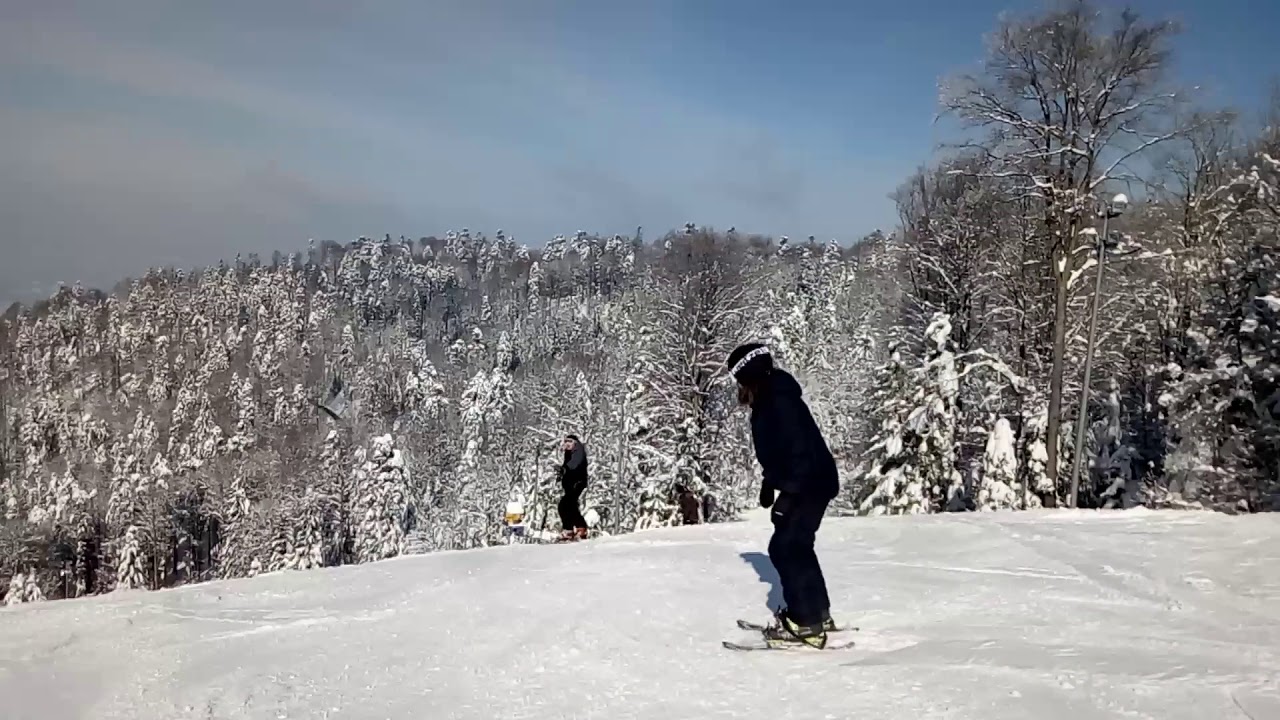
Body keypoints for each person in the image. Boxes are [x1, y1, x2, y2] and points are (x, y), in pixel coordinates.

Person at [727, 342, 839, 648]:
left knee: (786, 547)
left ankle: (806, 622)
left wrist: (788, 494)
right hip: (811, 481)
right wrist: (770, 482)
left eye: (738, 378)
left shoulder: (777, 400)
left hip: (809, 482)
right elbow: (782, 450)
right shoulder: (773, 396)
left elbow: (799, 451)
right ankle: (818, 613)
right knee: (796, 545)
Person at [557, 434, 590, 541]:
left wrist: (565, 469)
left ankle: (573, 529)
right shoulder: (569, 453)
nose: (567, 444)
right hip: (570, 484)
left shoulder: (578, 450)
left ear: (575, 443)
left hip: (577, 483)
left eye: (570, 442)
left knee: (565, 504)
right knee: (570, 506)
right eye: (566, 441)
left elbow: (574, 463)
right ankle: (575, 528)